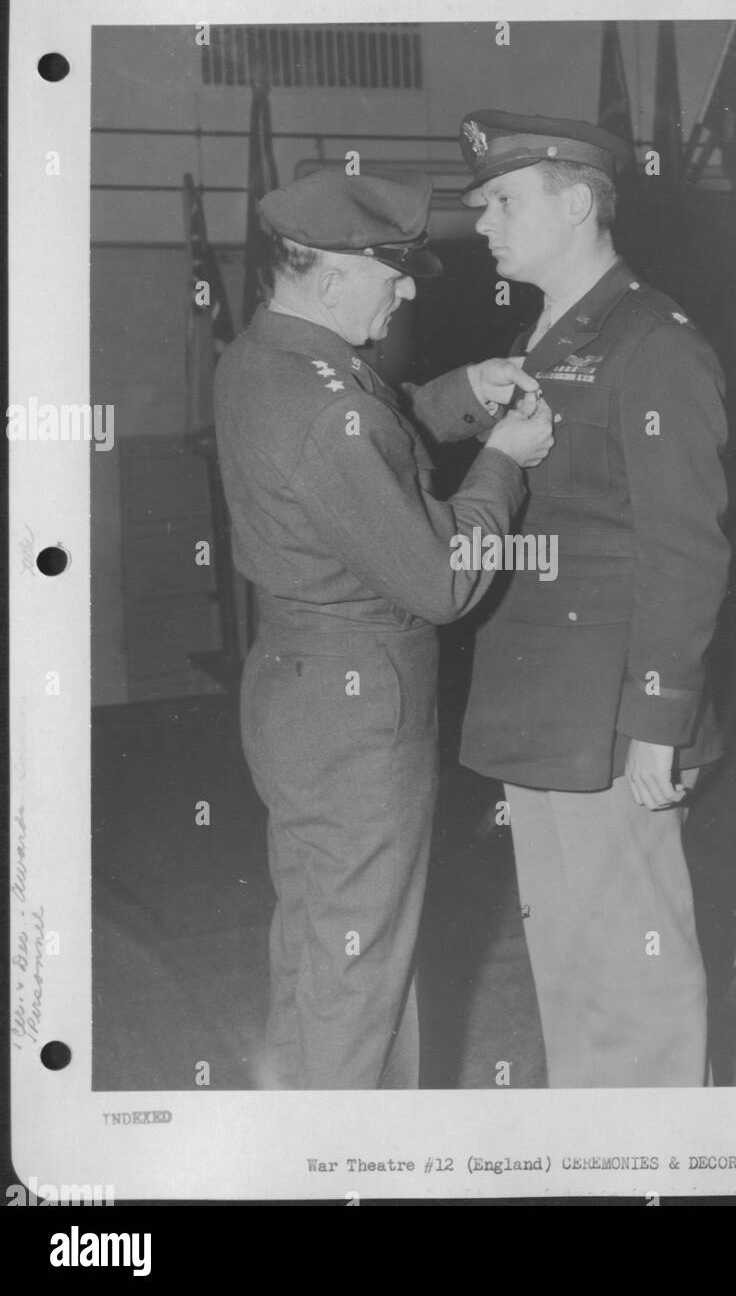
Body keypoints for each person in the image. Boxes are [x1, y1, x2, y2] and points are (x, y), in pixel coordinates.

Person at [213, 168, 553, 1089]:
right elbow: (443, 581)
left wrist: (462, 391)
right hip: (358, 710)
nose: (406, 291)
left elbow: (376, 431)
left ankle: (309, 1152)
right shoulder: (333, 405)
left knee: (325, 948)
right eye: (391, 274)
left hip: (293, 686)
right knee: (358, 972)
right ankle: (338, 1171)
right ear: (330, 280)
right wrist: (500, 463)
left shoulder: (263, 358)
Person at [456, 111, 731, 1088]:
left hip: (613, 719)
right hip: (541, 711)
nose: (482, 217)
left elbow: (683, 546)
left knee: (639, 985)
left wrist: (659, 718)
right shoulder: (549, 334)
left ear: (576, 203)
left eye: (503, 199)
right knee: (569, 975)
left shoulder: (653, 342)